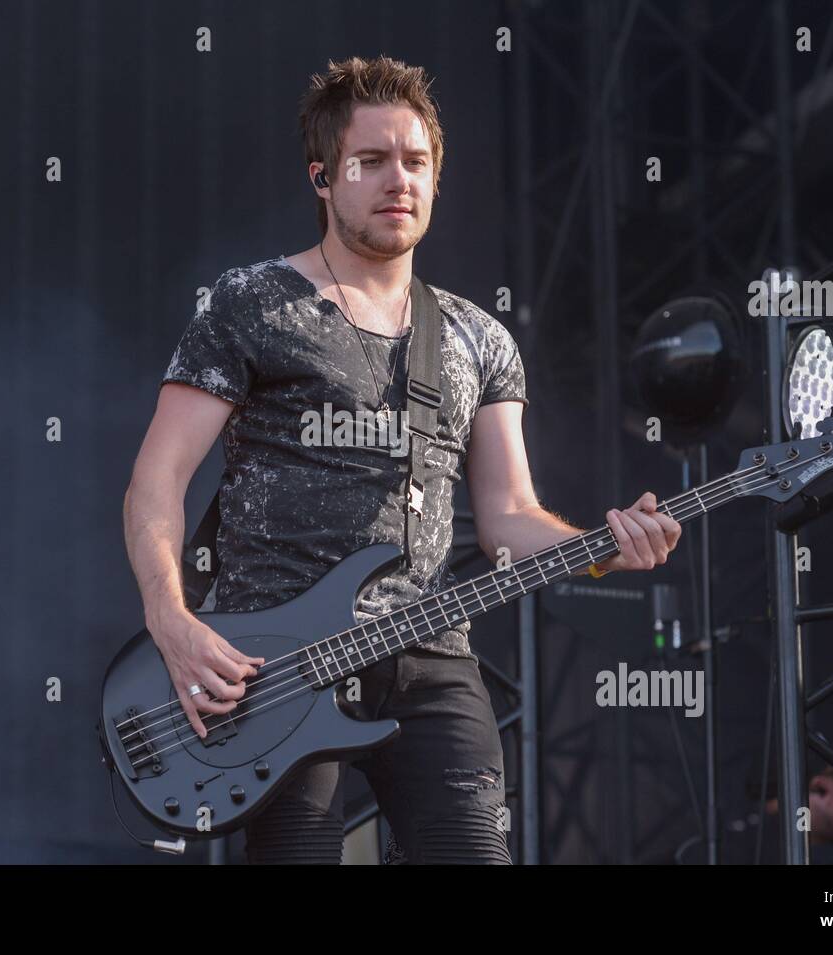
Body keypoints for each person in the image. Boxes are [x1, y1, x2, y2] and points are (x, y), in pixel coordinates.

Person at [123, 55, 683, 864]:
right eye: (373, 161)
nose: (400, 180)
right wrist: (170, 620)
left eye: (416, 162)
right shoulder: (250, 304)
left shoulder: (476, 338)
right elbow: (155, 483)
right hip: (274, 665)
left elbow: (508, 521)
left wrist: (602, 548)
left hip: (430, 653)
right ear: (323, 176)